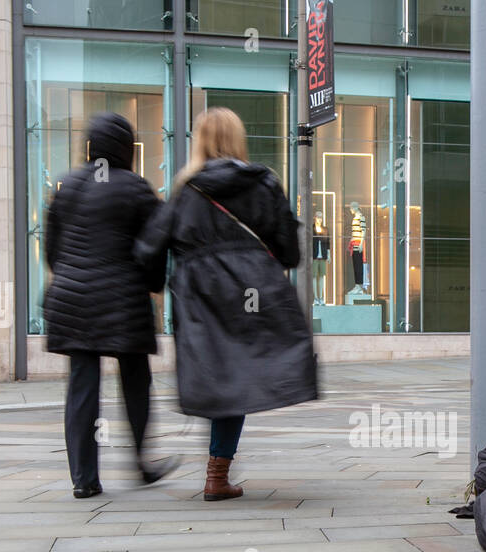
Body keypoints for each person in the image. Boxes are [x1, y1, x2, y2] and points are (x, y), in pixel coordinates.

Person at [136, 107, 318, 501]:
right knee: (238, 372)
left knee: (216, 372)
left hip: (199, 295)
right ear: (238, 139)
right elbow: (288, 250)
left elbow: (151, 247)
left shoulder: (186, 191)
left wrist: (154, 287)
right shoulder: (263, 182)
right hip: (250, 292)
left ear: (199, 141)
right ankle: (217, 473)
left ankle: (216, 474)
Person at [43, 112, 174, 499]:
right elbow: (153, 251)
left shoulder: (67, 186)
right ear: (125, 149)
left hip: (73, 301)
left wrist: (70, 278)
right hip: (122, 302)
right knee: (135, 381)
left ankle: (84, 479)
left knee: (82, 388)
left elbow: (53, 249)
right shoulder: (136, 188)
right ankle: (141, 463)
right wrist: (153, 287)